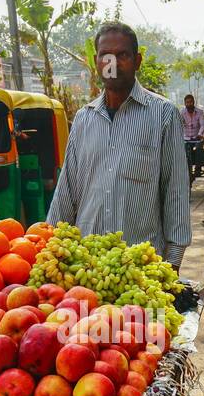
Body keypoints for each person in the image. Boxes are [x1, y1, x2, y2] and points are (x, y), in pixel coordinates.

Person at [48, 20, 191, 270]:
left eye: (122, 55)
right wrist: (49, 246)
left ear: (137, 61)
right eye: (106, 55)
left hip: (140, 267)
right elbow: (66, 190)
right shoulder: (83, 119)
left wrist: (173, 262)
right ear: (96, 62)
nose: (113, 63)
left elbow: (175, 191)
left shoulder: (163, 114)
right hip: (86, 267)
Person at [180, 94, 204, 182]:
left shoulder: (199, 112)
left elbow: (203, 125)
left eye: (190, 102)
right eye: (187, 102)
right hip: (186, 138)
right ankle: (187, 171)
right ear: (185, 103)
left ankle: (198, 169)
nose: (189, 104)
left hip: (197, 137)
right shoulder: (182, 112)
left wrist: (200, 134)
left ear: (193, 102)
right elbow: (179, 125)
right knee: (185, 150)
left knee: (199, 147)